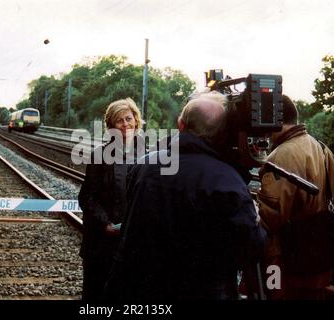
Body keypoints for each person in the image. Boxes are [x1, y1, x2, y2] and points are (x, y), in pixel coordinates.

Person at [104, 91, 267, 300]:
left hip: (140, 290)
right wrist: (257, 222)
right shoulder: (228, 181)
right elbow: (251, 249)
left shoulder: (144, 164)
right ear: (224, 133)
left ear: (181, 125)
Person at [257, 95, 334, 299]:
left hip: (289, 258)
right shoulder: (320, 146)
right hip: (320, 251)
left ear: (273, 121)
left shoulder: (281, 156)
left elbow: (270, 217)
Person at [78, 97, 145, 301]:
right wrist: (104, 224)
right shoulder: (100, 156)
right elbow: (86, 197)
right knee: (98, 294)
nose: (125, 125)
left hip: (132, 241)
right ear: (111, 126)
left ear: (136, 120)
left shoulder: (147, 156)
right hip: (102, 242)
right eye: (119, 121)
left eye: (128, 119)